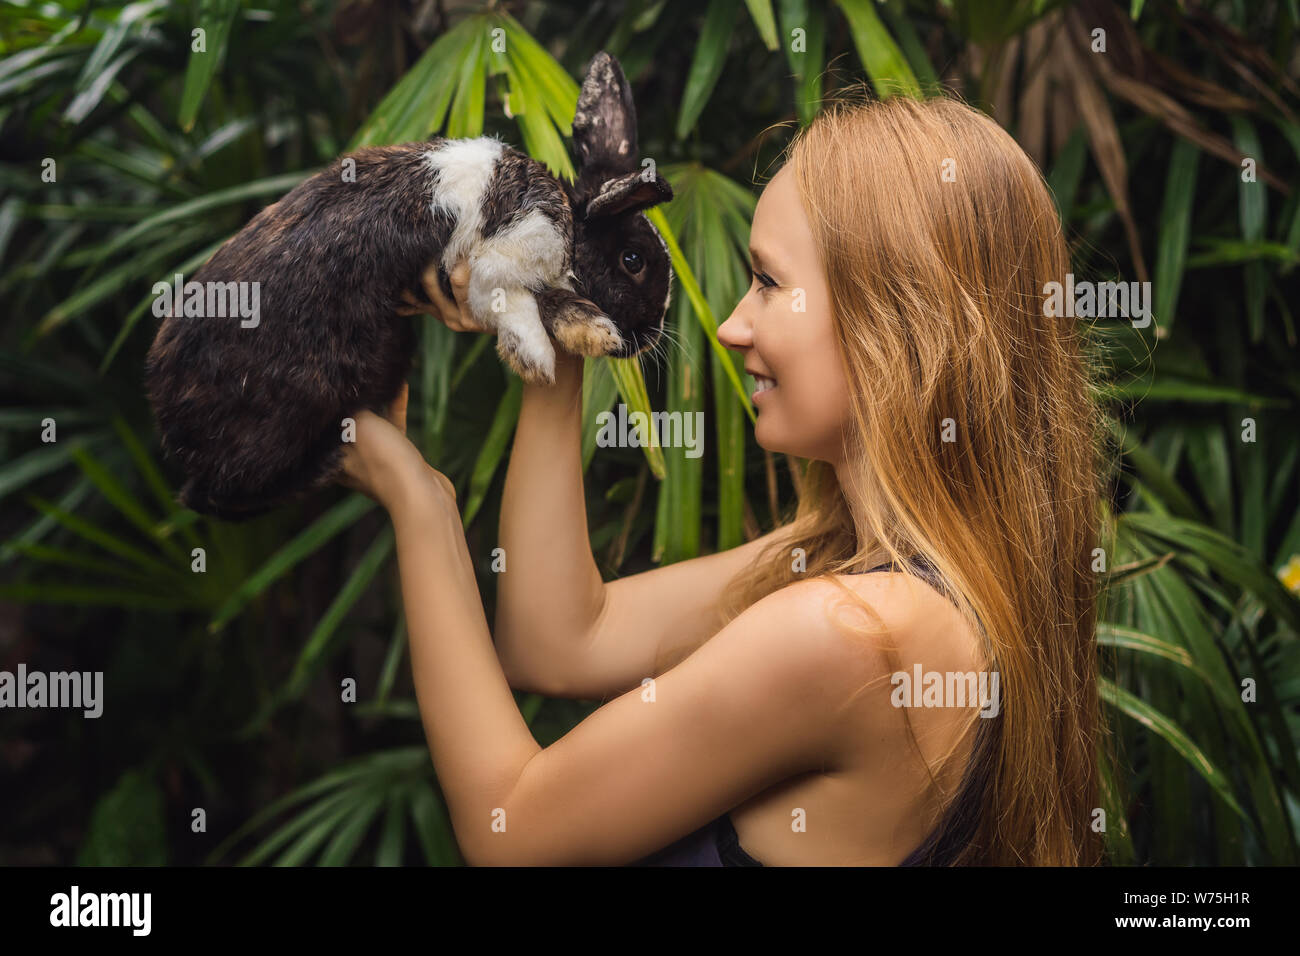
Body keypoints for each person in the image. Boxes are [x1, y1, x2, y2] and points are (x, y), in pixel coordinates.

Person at [341, 91, 1106, 866]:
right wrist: (569, 317)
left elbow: (512, 828)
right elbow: (558, 642)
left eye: (768, 283)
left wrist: (420, 501)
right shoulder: (878, 574)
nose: (735, 325)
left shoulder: (853, 636)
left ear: (901, 323)